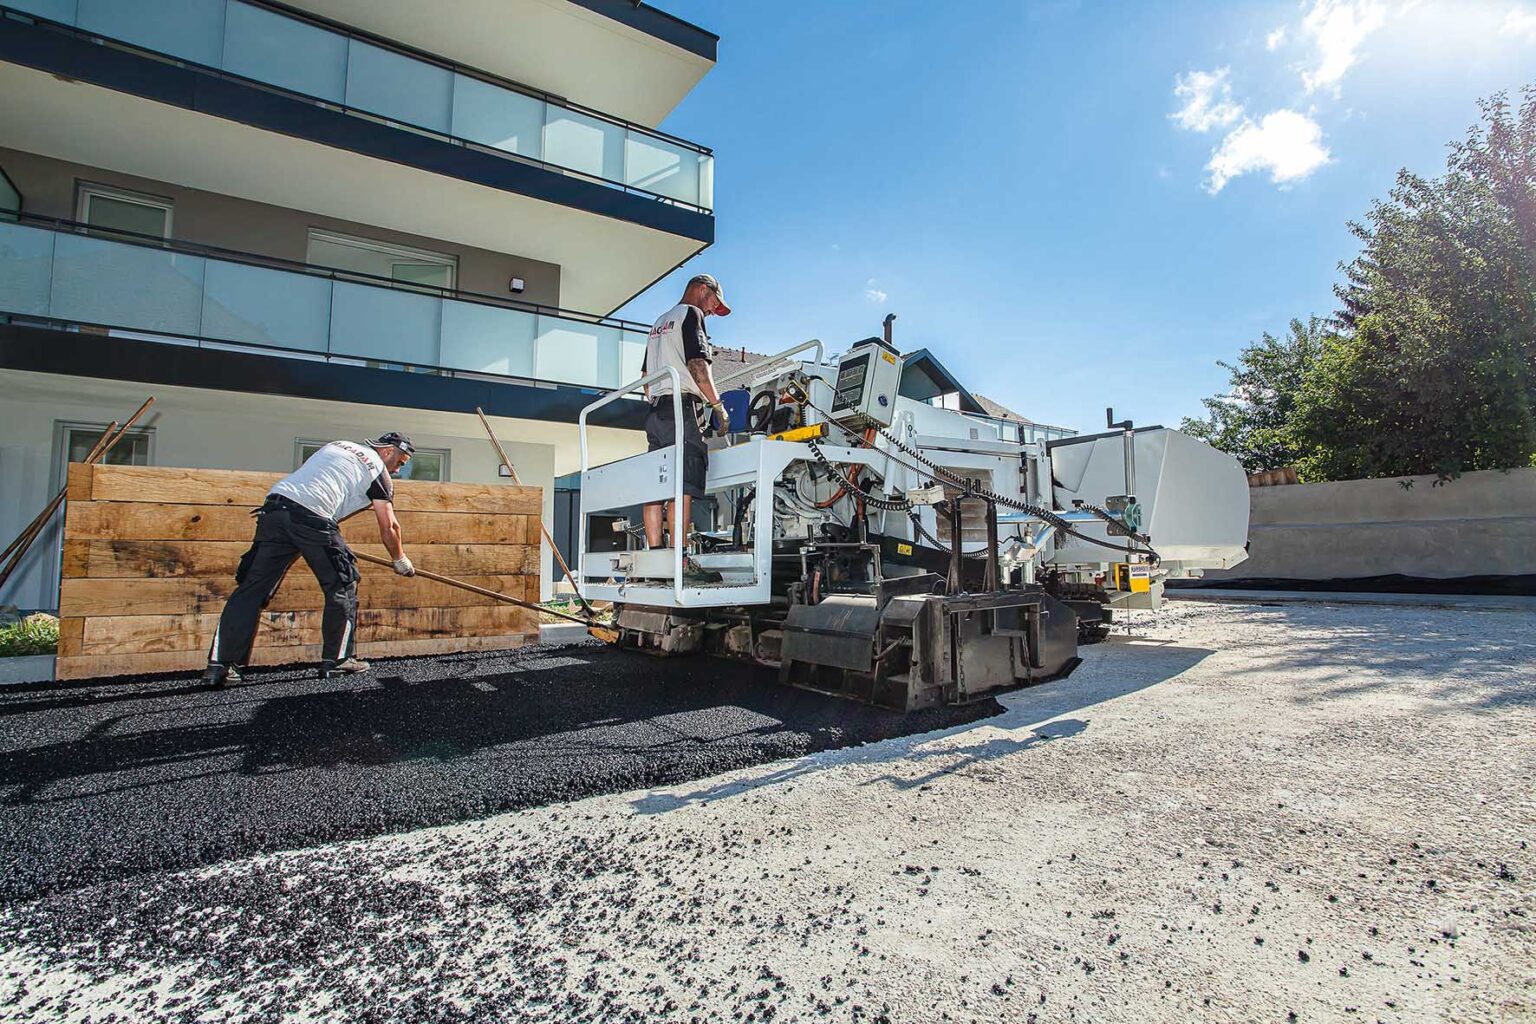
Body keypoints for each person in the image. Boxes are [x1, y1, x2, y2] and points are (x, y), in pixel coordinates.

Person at [202, 433, 417, 687]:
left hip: (274, 510)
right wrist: (399, 558)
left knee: (251, 589)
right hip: (313, 518)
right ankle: (337, 660)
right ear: (388, 452)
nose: (397, 470)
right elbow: (389, 525)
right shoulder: (377, 469)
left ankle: (221, 667)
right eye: (400, 462)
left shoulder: (338, 445)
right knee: (343, 585)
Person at [642, 274, 730, 580]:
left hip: (656, 411)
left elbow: (645, 376)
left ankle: (656, 562)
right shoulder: (690, 314)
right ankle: (680, 563)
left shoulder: (659, 323)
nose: (709, 312)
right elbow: (697, 364)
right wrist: (717, 406)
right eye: (713, 304)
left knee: (656, 485)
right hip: (682, 406)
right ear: (703, 290)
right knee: (684, 484)